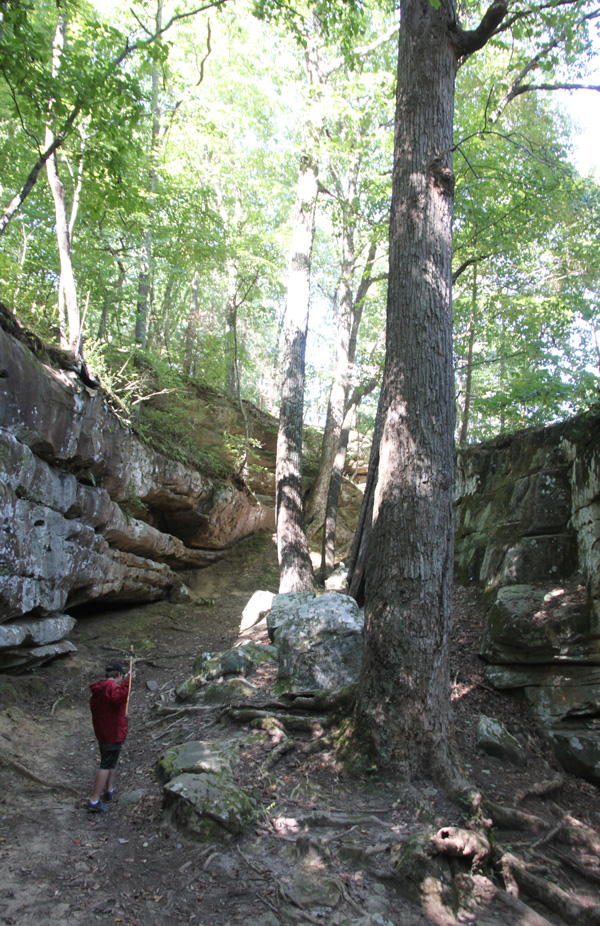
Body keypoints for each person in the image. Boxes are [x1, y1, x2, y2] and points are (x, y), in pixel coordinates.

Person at [87, 659, 134, 813]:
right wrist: (127, 683)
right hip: (111, 733)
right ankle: (94, 800)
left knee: (111, 761)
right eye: (121, 678)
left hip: (104, 732)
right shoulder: (110, 686)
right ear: (118, 675)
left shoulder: (100, 689)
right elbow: (118, 698)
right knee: (106, 764)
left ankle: (109, 790)